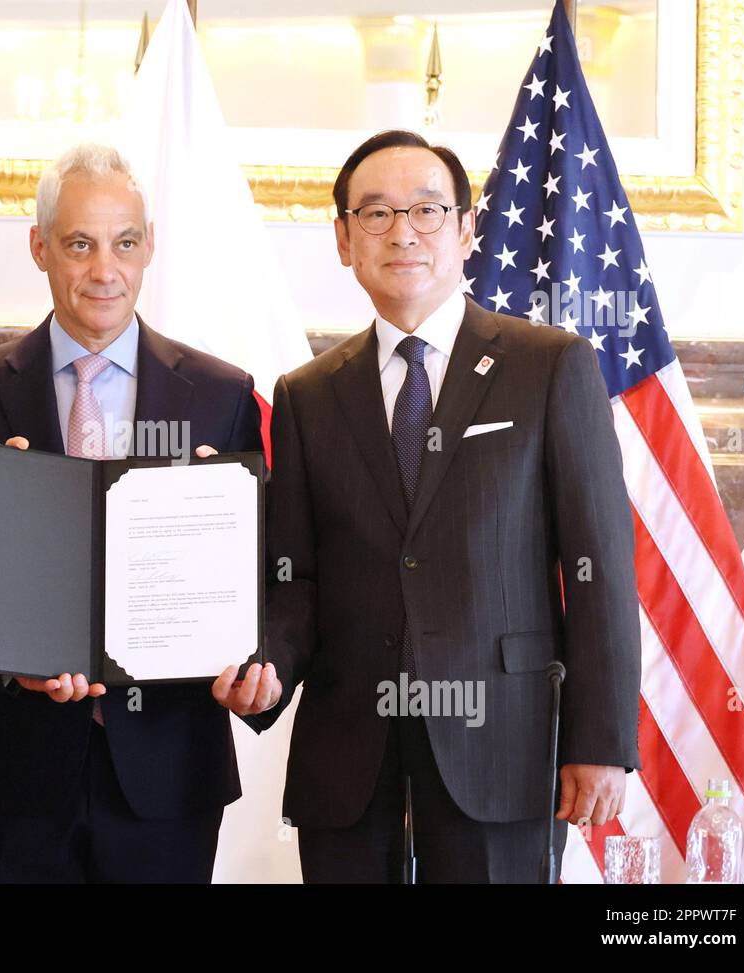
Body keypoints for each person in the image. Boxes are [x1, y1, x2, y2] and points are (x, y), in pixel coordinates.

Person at [215, 129, 641, 883]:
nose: (402, 231)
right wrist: (269, 665)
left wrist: (601, 740)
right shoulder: (308, 394)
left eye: (426, 210)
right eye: (374, 215)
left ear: (467, 228)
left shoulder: (549, 367)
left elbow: (600, 565)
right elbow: (298, 578)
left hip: (502, 745)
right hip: (349, 756)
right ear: (344, 239)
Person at [0, 143, 263, 883]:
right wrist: (11, 659)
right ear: (40, 247)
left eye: (125, 243)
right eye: (79, 244)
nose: (104, 270)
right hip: (16, 769)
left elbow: (261, 570)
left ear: (149, 250)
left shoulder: (221, 394)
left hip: (169, 772)